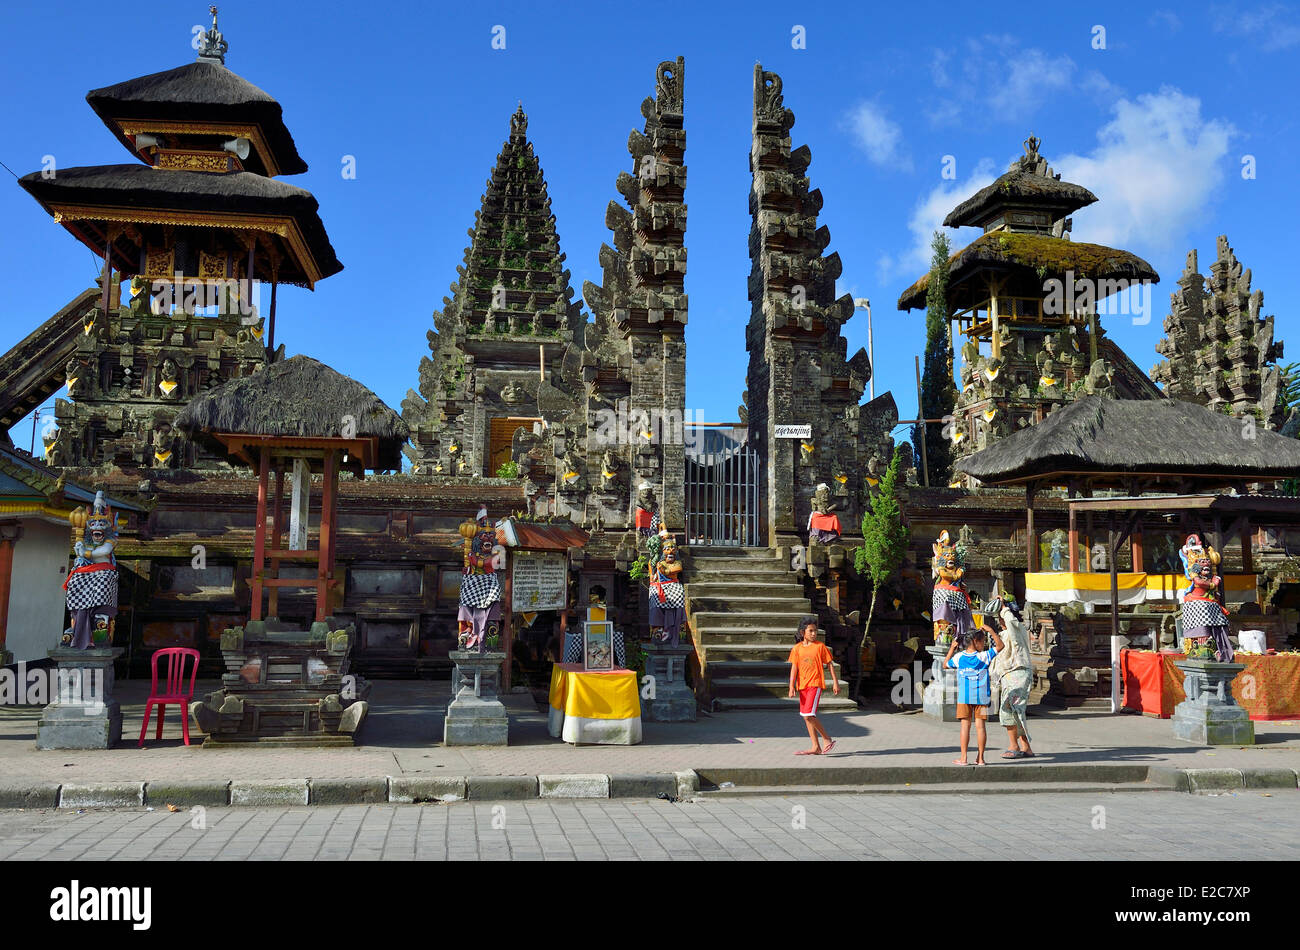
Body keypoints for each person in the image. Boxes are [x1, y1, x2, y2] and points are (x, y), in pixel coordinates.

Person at [984, 590, 1034, 759]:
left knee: (1009, 708)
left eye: (1001, 616)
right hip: (1009, 675)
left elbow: (1011, 621)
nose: (1000, 619)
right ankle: (1026, 747)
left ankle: (1014, 746)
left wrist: (1004, 608)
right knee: (1014, 710)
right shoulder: (1004, 634)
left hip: (1018, 672)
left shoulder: (1017, 629)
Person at [945, 622, 1004, 765]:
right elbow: (1000, 646)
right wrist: (991, 630)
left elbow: (945, 664)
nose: (984, 644)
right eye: (982, 641)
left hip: (964, 697)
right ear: (975, 641)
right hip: (982, 698)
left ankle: (964, 758)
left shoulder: (959, 658)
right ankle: (981, 758)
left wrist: (952, 648)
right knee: (980, 727)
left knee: (965, 727)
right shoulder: (984, 656)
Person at [787, 618, 839, 755]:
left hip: (815, 684)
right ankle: (815, 747)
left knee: (809, 714)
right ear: (803, 632)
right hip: (802, 686)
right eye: (811, 631)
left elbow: (830, 664)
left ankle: (827, 739)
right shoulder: (796, 649)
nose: (814, 633)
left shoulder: (820, 647)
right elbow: (794, 668)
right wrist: (791, 686)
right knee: (805, 716)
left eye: (815, 630)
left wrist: (835, 682)